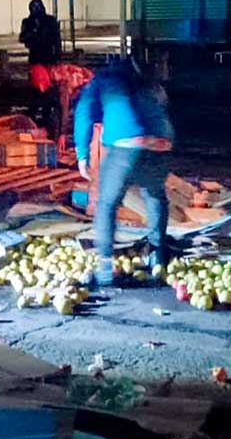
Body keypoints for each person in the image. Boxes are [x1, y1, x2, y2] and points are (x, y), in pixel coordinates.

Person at [73, 59, 174, 286]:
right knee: (155, 195)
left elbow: (84, 113)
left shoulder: (103, 80)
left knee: (107, 203)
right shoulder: (147, 79)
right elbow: (163, 103)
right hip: (162, 141)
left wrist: (82, 154)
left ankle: (105, 267)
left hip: (127, 144)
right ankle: (157, 257)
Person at [29, 62, 93, 153]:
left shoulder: (62, 83)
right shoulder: (53, 80)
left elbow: (64, 109)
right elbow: (48, 106)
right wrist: (44, 127)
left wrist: (62, 134)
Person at [19, 0, 62, 68]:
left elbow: (57, 39)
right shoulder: (27, 22)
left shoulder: (50, 20)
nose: (36, 9)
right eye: (34, 6)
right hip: (34, 57)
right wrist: (33, 32)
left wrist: (58, 56)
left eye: (38, 6)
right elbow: (22, 38)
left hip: (49, 57)